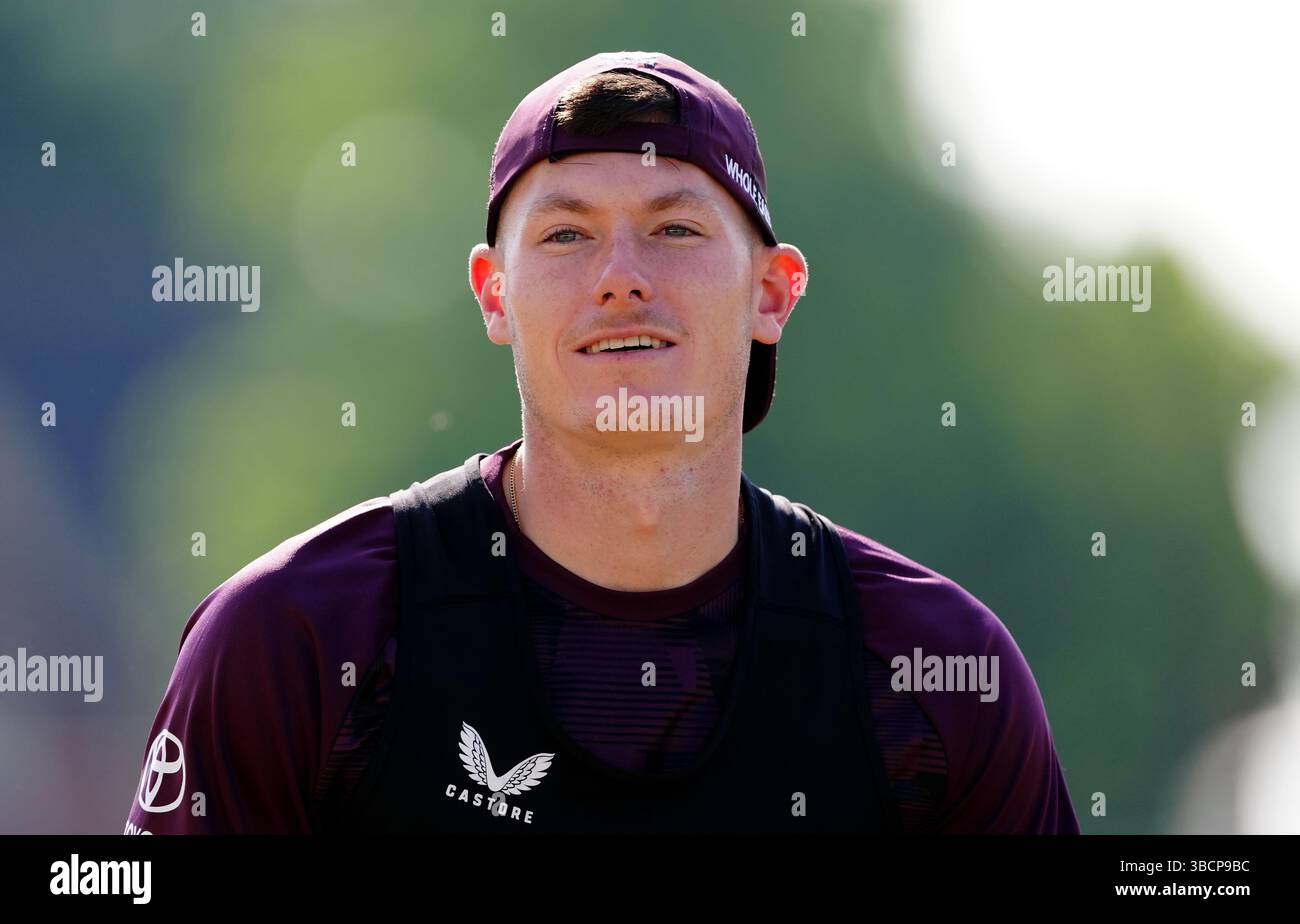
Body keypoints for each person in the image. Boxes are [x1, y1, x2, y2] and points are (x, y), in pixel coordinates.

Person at [124, 51, 1079, 834]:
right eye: (568, 236)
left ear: (773, 293)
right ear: (494, 293)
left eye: (673, 229)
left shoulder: (935, 670)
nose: (621, 277)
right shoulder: (302, 638)